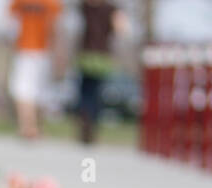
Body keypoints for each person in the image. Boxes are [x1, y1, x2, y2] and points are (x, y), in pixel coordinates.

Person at [75, 0, 129, 144]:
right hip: (101, 55)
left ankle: (85, 122)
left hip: (87, 54)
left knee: (86, 93)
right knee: (96, 93)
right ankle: (91, 125)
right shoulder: (110, 8)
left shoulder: (86, 6)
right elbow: (121, 28)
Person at [7, 0, 62, 139]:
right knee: (38, 91)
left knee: (23, 91)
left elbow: (10, 23)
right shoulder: (52, 3)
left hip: (24, 50)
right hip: (42, 51)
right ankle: (34, 128)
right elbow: (54, 28)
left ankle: (27, 127)